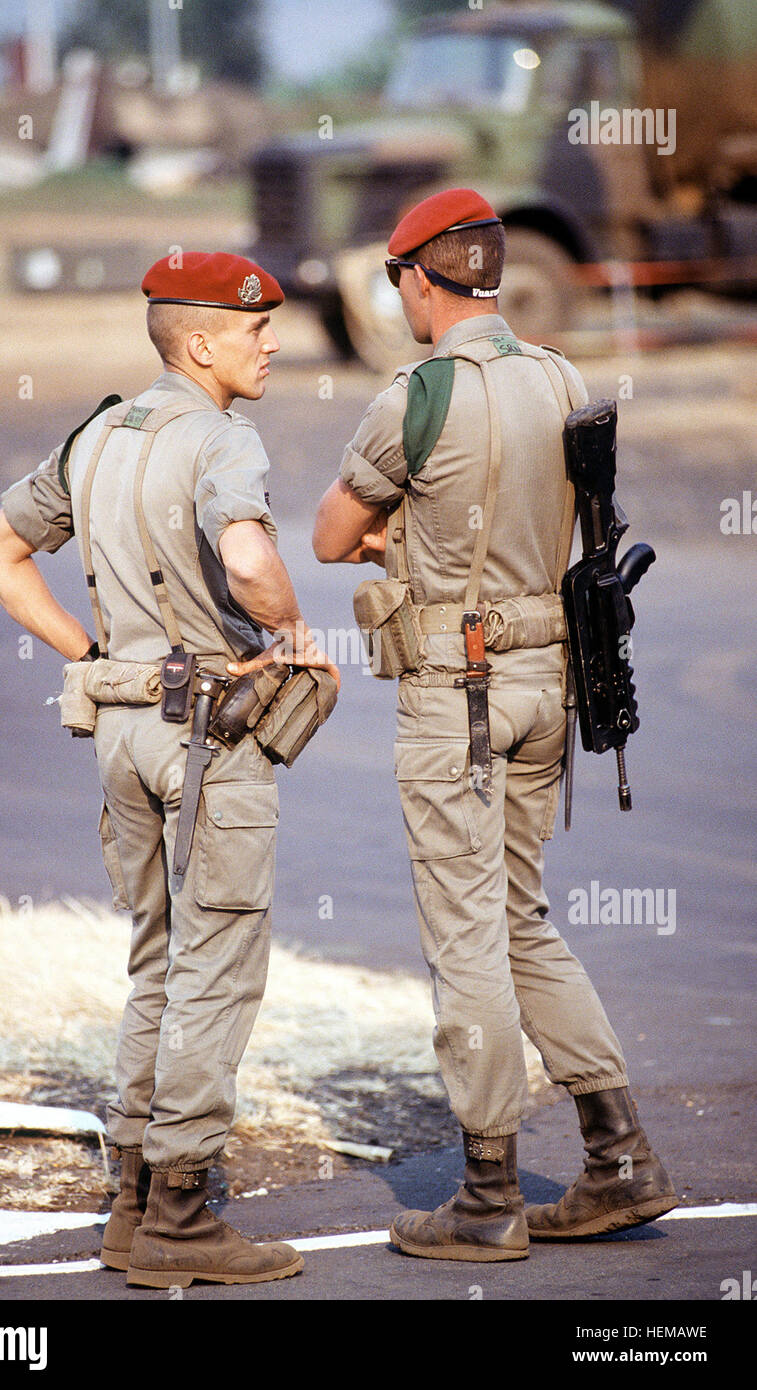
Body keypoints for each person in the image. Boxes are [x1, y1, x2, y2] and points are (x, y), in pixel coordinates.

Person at [312, 189, 677, 1263]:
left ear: (421, 278)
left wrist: (402, 541)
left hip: (457, 691)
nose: (400, 299)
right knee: (522, 916)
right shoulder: (561, 375)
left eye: (397, 280)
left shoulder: (417, 395)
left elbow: (334, 533)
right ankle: (618, 1156)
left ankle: (486, 1195)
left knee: (467, 934)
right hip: (548, 686)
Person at [0, 250, 338, 1289]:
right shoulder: (223, 437)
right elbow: (254, 562)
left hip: (124, 723)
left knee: (156, 962)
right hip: (210, 735)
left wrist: (89, 656)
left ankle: (131, 1205)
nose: (272, 342)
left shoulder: (96, 434)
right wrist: (297, 633)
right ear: (202, 340)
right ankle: (184, 1212)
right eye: (256, 327)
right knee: (217, 970)